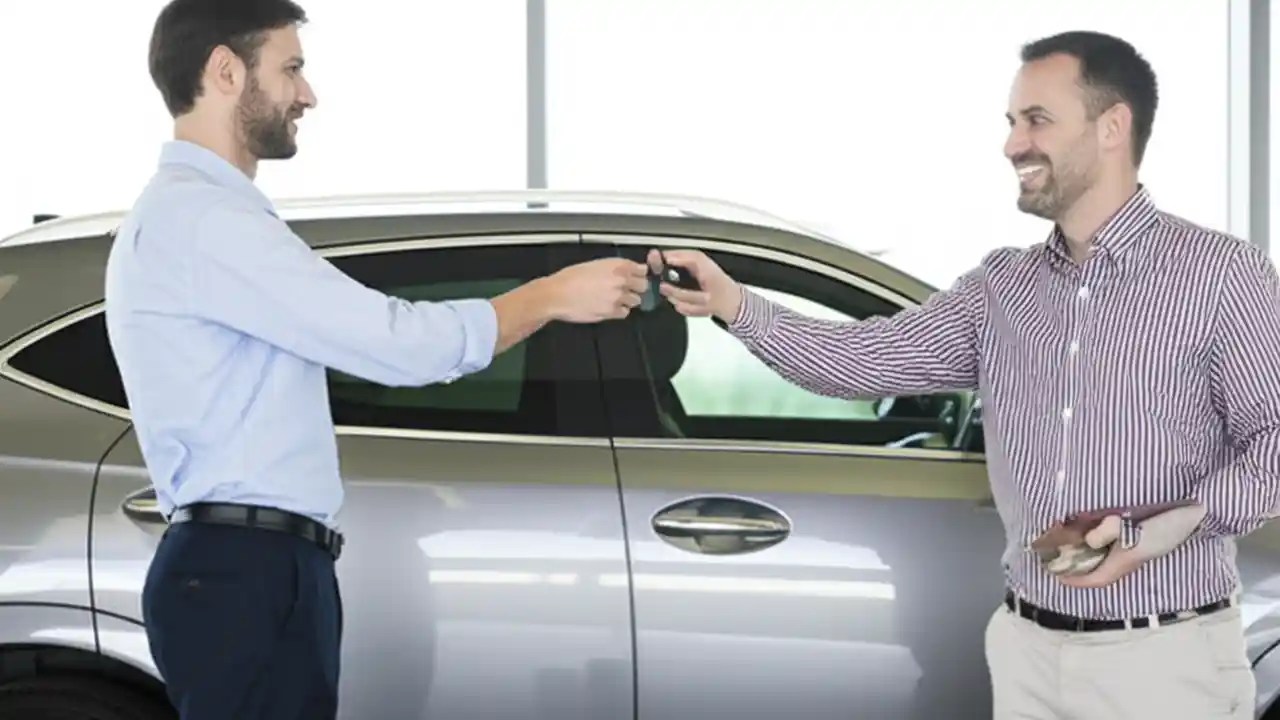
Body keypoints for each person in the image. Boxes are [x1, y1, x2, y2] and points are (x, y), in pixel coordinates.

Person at [653, 30, 1280, 720]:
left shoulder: (1223, 275)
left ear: (1112, 127)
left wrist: (1159, 531)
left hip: (1166, 662)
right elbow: (863, 359)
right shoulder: (1001, 288)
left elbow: (1273, 446)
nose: (1014, 145)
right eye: (1012, 124)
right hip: (1027, 651)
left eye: (1036, 120)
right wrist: (735, 304)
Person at [102, 1, 648, 718]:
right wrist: (547, 297)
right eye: (291, 67)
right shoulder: (205, 222)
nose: (308, 93)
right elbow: (393, 341)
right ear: (225, 71)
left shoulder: (199, 219)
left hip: (251, 565)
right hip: (245, 569)